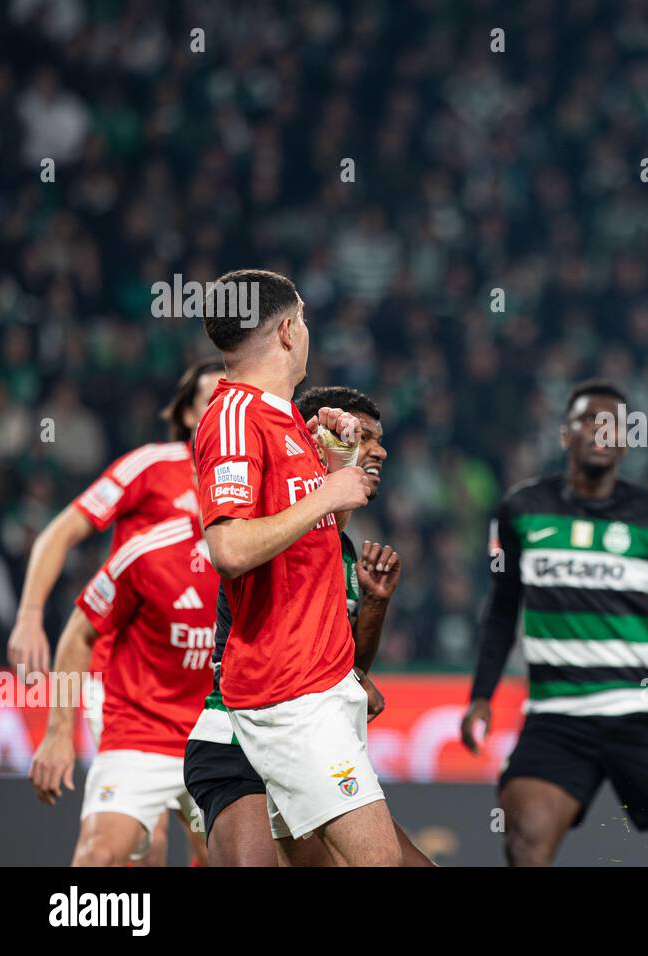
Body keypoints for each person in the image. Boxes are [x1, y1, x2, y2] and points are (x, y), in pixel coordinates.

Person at [461, 380, 648, 866]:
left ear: (624, 440)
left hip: (642, 711)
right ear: (565, 434)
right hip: (556, 718)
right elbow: (500, 611)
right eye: (588, 420)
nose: (601, 430)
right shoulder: (521, 511)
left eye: (613, 424)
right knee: (525, 843)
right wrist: (481, 695)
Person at [194, 268, 398, 866]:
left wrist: (324, 453)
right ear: (287, 331)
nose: (307, 332)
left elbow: (302, 538)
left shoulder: (282, 418)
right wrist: (330, 491)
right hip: (290, 696)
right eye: (303, 320)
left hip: (321, 688)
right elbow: (228, 549)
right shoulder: (233, 416)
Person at [184, 385, 430, 866]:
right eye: (363, 437)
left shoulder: (341, 551)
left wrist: (374, 607)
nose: (378, 449)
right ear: (320, 444)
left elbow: (347, 667)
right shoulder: (272, 532)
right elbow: (232, 554)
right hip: (242, 737)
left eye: (379, 439)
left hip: (306, 736)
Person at [9, 358, 221, 866]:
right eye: (210, 397)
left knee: (212, 847)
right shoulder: (150, 466)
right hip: (124, 671)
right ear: (189, 414)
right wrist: (29, 613)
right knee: (143, 845)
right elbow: (62, 532)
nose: (222, 408)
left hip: (203, 686)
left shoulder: (246, 488)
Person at [29, 512, 217, 866]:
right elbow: (77, 633)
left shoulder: (269, 550)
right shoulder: (147, 551)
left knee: (228, 854)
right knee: (99, 855)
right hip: (141, 733)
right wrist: (58, 733)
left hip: (216, 734)